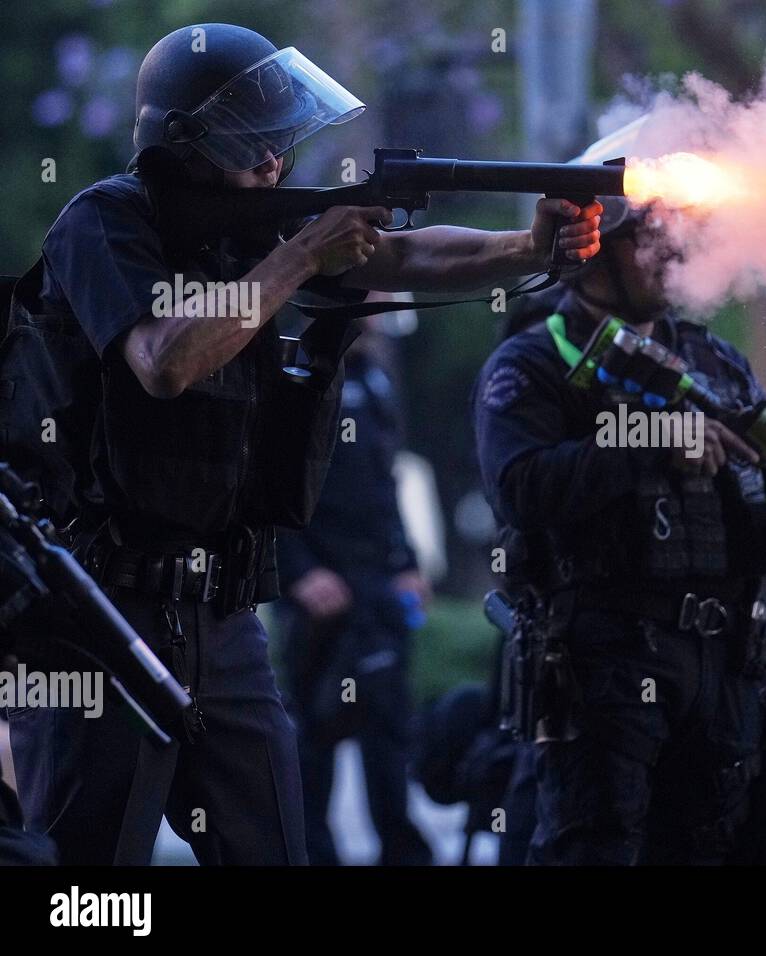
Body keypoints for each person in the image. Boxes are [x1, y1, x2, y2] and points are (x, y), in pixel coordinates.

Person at [6, 22, 600, 865]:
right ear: (185, 144)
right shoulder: (103, 222)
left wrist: (529, 246)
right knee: (91, 884)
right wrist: (297, 258)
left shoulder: (249, 235)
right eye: (252, 146)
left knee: (278, 849)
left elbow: (405, 257)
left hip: (224, 618)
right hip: (100, 613)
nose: (274, 166)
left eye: (275, 145)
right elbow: (164, 359)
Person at [473, 124, 766, 864]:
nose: (672, 250)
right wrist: (649, 441)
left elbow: (756, 496)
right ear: (597, 240)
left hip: (723, 671)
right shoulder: (531, 364)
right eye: (649, 235)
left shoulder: (713, 359)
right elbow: (522, 489)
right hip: (605, 671)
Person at [274, 321, 434, 866]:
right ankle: (311, 855)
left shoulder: (375, 375)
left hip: (377, 586)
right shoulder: (294, 366)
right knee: (314, 730)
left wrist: (407, 562)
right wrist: (296, 573)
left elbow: (385, 482)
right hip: (319, 592)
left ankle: (402, 853)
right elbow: (268, 482)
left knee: (387, 725)